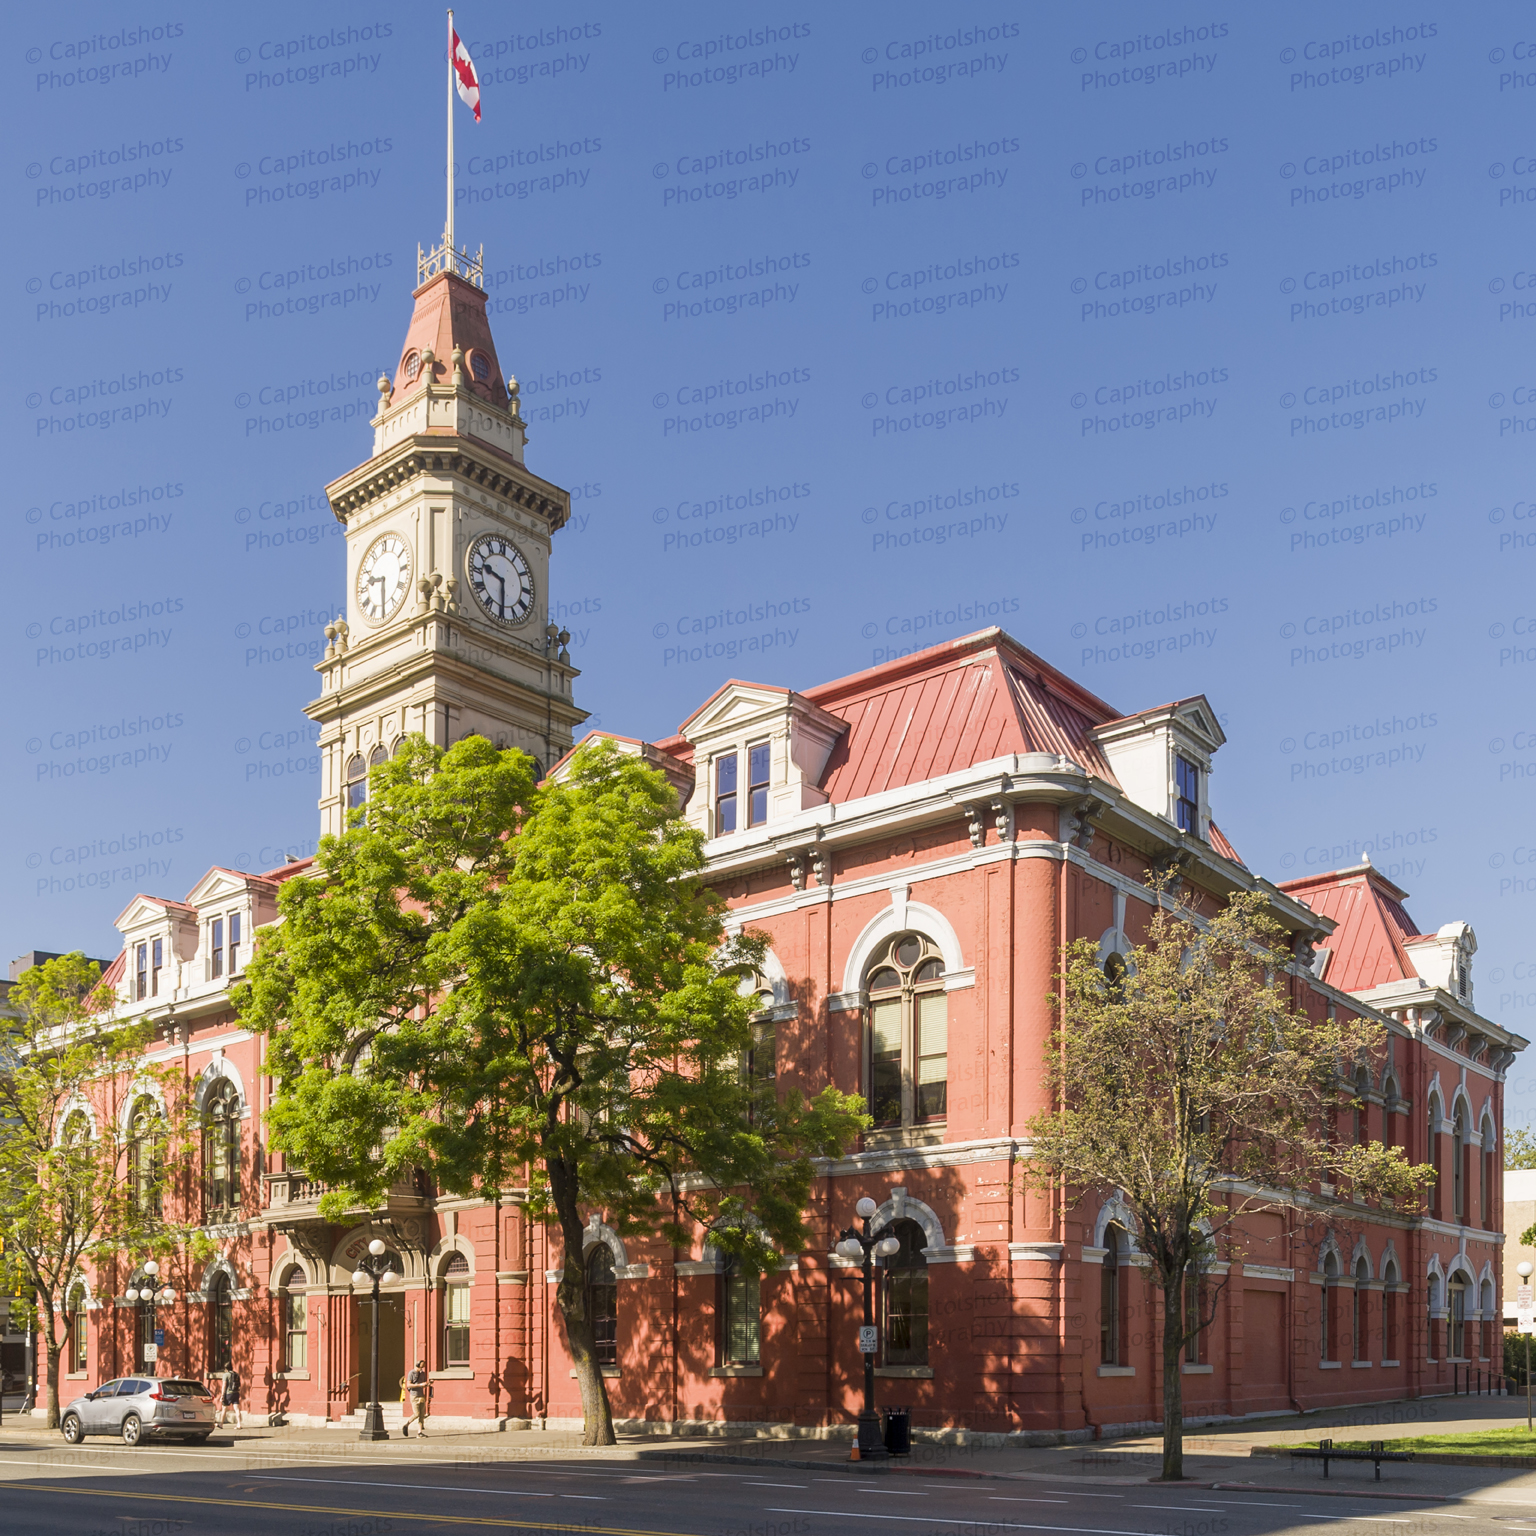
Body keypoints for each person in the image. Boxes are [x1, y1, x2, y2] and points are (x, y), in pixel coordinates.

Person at [405, 1359, 428, 1437]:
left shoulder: (423, 1374)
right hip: (414, 1395)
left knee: (422, 1415)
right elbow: (408, 1385)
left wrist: (427, 1384)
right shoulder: (411, 1373)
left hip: (421, 1395)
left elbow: (423, 1384)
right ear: (417, 1365)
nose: (421, 1369)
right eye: (420, 1367)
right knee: (417, 1413)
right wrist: (420, 1385)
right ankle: (406, 1424)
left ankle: (419, 1432)